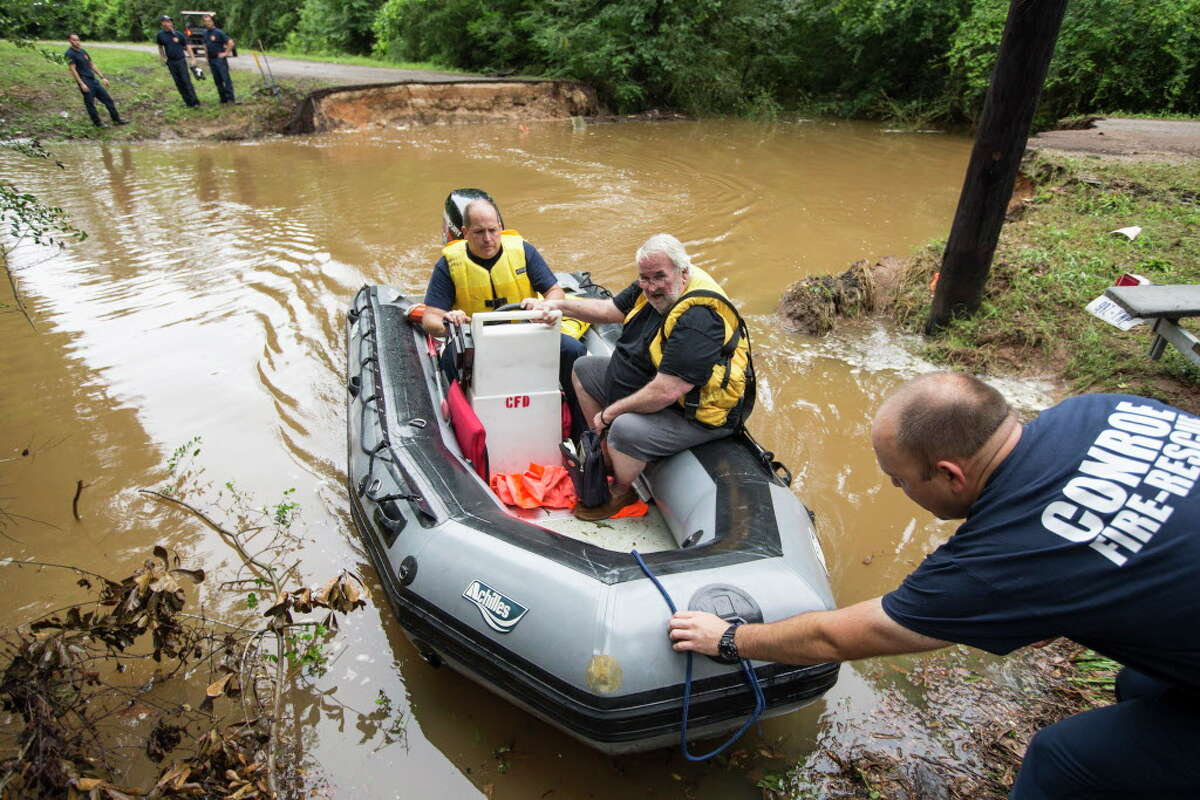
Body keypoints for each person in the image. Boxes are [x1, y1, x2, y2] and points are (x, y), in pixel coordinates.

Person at [668, 371, 1200, 800]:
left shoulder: (1001, 558)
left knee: (1062, 758)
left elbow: (840, 637)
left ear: (950, 474)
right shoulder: (1101, 409)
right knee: (1139, 687)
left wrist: (731, 638)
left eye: (900, 481)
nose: (900, 491)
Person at [525, 233, 752, 521]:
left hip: (696, 414)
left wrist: (610, 415)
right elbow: (609, 310)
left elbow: (668, 390)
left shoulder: (698, 319)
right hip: (666, 391)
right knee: (583, 370)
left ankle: (622, 490)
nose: (651, 287)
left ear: (683, 272)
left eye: (659, 277)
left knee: (624, 427)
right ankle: (611, 455)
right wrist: (558, 305)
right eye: (645, 278)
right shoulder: (650, 285)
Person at [422, 190, 587, 433]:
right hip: (476, 344)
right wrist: (449, 321)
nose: (488, 238)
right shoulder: (449, 264)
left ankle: (581, 429)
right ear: (465, 233)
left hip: (527, 335)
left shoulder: (523, 251)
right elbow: (430, 319)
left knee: (574, 351)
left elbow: (554, 292)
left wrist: (544, 305)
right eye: (479, 232)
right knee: (448, 362)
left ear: (500, 227)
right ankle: (458, 431)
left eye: (493, 230)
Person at [64, 34, 127, 128]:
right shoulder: (69, 54)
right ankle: (98, 123)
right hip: (85, 81)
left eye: (78, 40)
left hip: (93, 80)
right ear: (69, 41)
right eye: (74, 40)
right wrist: (81, 84)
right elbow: (72, 70)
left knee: (108, 100)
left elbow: (92, 65)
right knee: (90, 104)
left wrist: (102, 77)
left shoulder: (83, 51)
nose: (77, 42)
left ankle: (116, 119)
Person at [156, 14, 199, 108]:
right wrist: (162, 57)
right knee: (178, 82)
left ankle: (195, 102)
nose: (169, 23)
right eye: (167, 21)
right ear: (162, 23)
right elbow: (160, 46)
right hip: (171, 62)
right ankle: (188, 103)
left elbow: (187, 46)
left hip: (181, 61)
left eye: (170, 21)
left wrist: (193, 58)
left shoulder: (178, 34)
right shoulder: (160, 35)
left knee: (186, 81)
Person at [200, 14, 235, 104]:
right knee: (217, 80)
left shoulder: (218, 32)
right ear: (203, 23)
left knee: (225, 78)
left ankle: (230, 98)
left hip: (219, 60)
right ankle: (223, 98)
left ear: (212, 21)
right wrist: (206, 59)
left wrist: (225, 53)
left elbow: (231, 42)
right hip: (211, 60)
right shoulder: (204, 33)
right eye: (205, 21)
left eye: (209, 21)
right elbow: (205, 46)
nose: (207, 23)